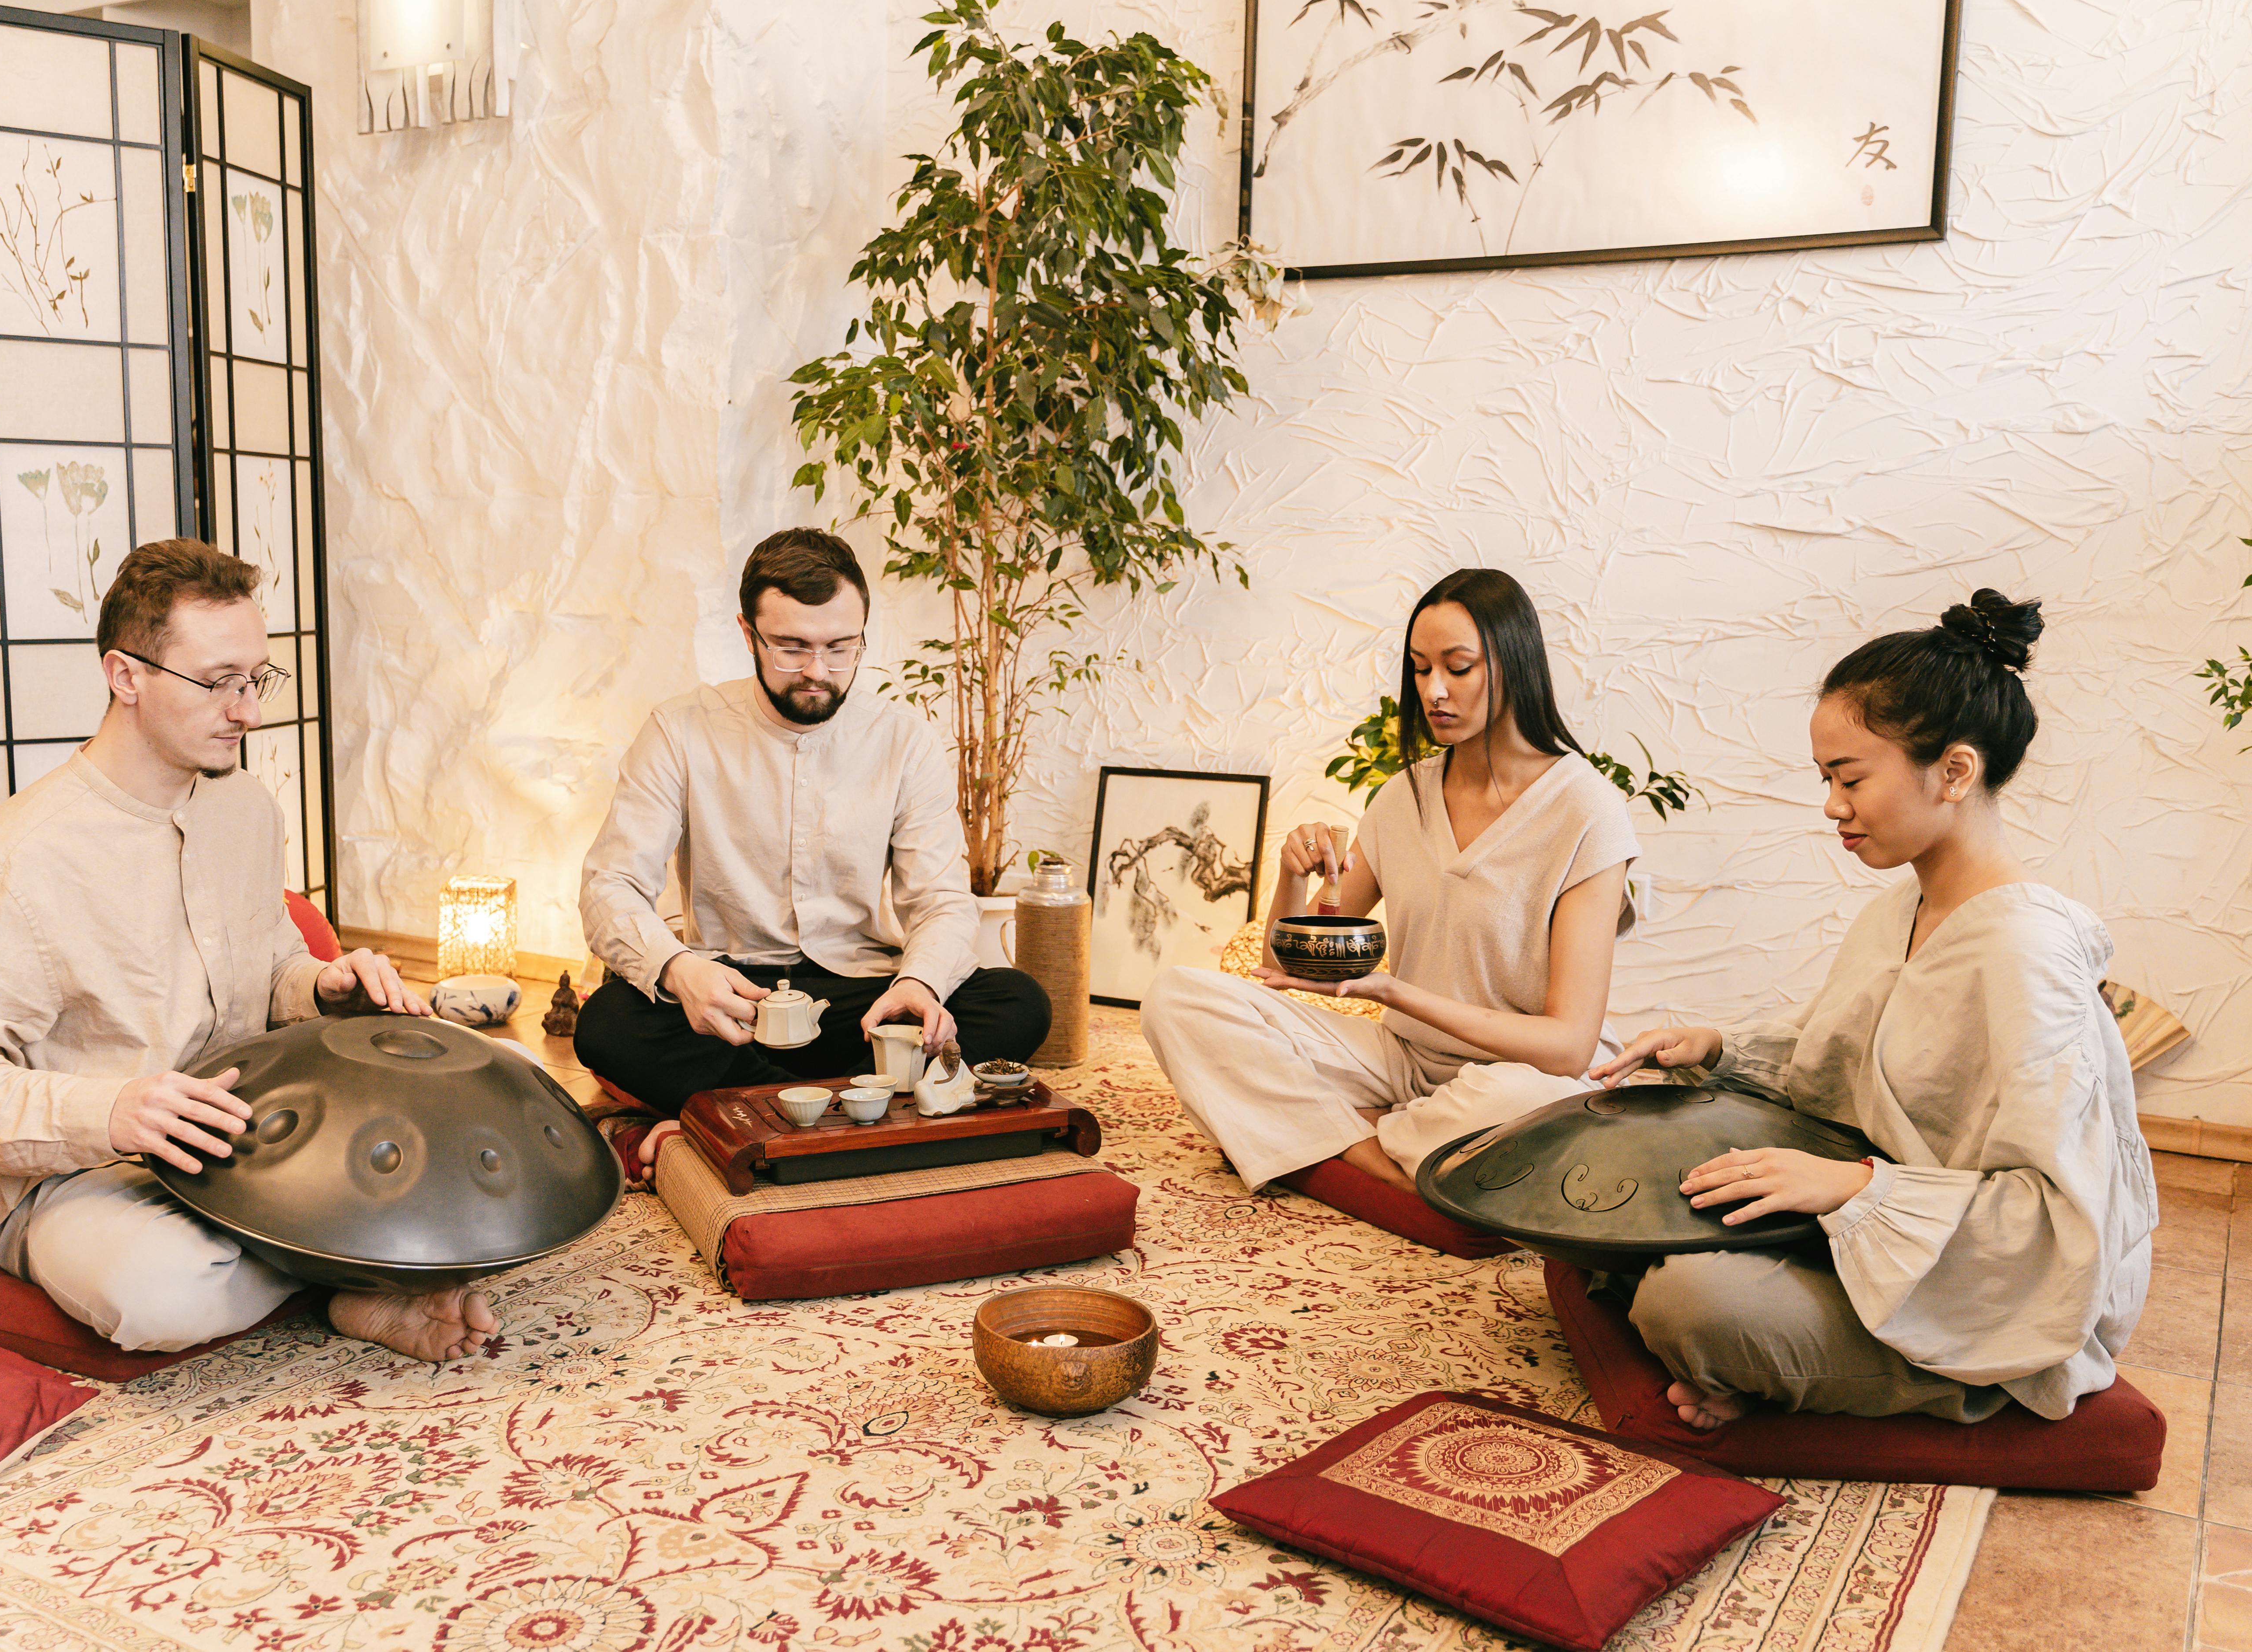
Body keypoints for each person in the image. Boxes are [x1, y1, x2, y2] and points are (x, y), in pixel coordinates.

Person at [0, 540, 498, 1363]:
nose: (246, 709)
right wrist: (111, 1111)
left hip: (248, 1136)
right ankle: (360, 1272)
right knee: (161, 1292)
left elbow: (269, 967)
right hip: (86, 1175)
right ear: (125, 676)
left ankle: (349, 1264)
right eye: (218, 683)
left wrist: (326, 987)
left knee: (469, 1144)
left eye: (256, 679)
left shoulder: (245, 808)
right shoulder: (20, 859)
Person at [1592, 589, 2154, 1429]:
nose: (1831, 805)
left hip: (1991, 1302)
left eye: (1849, 777)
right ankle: (1757, 1360)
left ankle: (1895, 1380)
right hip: (1876, 1234)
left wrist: (1853, 1187)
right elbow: (1846, 1064)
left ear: (1954, 771)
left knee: (1690, 1303)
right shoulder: (1898, 911)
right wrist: (1716, 1047)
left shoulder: (2028, 954)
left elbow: (2054, 1225)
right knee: (1615, 1174)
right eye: (1826, 778)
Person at [1142, 568, 1638, 1202]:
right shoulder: (1401, 797)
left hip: (1520, 1080)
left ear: (1514, 664)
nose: (1433, 690)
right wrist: (1293, 879)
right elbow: (1282, 966)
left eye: (1458, 667)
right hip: (1397, 1062)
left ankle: (1322, 1141)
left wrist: (1397, 992)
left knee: (1535, 1103)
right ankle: (1384, 1155)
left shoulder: (1586, 809)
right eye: (1420, 667)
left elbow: (1568, 1047)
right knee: (1178, 999)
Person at [576, 528, 1052, 1183]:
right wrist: (682, 970)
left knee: (1018, 1001)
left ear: (862, 634)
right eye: (792, 647)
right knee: (607, 1021)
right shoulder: (678, 730)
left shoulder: (903, 741)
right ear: (748, 634)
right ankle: (860, 1111)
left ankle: (746, 1111)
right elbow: (610, 886)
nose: (818, 671)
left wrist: (917, 984)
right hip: (732, 996)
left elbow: (940, 901)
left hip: (858, 998)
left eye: (840, 647)